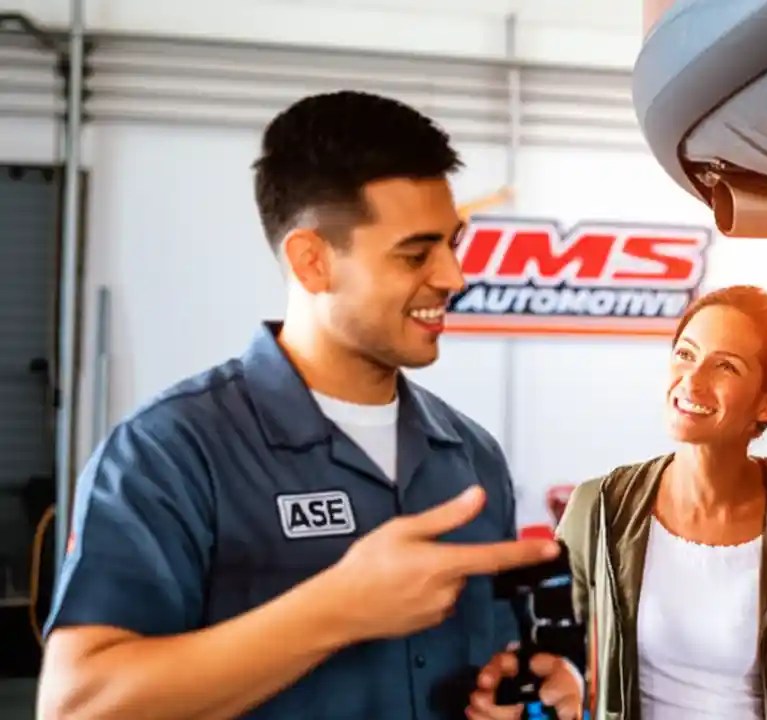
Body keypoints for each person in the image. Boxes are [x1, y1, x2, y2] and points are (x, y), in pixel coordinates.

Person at [37, 91, 582, 720]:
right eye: (416, 252)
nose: (454, 276)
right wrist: (336, 610)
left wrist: (534, 688)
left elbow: (496, 657)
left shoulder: (470, 456)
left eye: (453, 244)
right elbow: (77, 706)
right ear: (312, 260)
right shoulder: (169, 453)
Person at [557, 285, 767, 719]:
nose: (692, 380)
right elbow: (554, 658)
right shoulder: (598, 509)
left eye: (725, 366)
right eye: (686, 354)